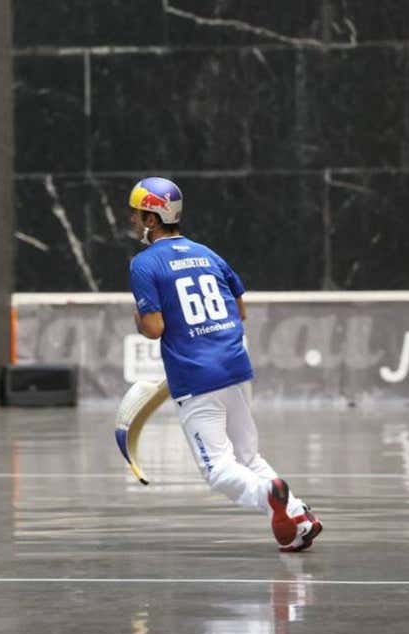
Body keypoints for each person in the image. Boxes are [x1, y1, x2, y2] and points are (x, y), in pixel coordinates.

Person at [126, 177, 322, 552]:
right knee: (248, 456)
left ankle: (268, 495)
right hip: (235, 367)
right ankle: (299, 518)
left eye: (136, 213)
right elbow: (240, 310)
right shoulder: (208, 254)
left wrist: (138, 318)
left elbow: (154, 328)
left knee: (216, 468)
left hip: (196, 377)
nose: (132, 220)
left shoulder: (144, 264)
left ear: (151, 218)